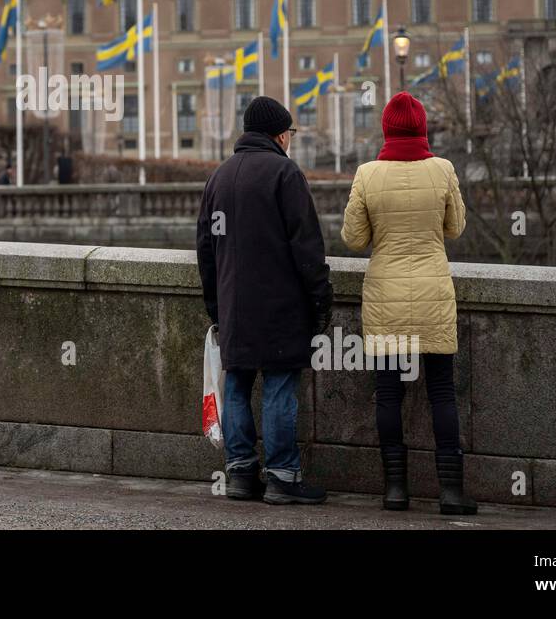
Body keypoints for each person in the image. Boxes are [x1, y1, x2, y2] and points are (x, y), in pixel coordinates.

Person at [341, 91, 474, 515]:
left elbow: (354, 239)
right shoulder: (443, 169)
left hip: (386, 297)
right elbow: (455, 228)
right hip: (434, 293)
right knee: (442, 393)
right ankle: (451, 493)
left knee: (387, 395)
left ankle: (396, 489)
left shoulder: (367, 174)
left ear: (386, 129)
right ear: (422, 129)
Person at [196, 95, 332, 505]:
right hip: (281, 306)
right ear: (279, 135)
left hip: (234, 304)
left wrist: (216, 307)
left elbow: (205, 249)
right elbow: (307, 246)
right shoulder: (285, 174)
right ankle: (282, 477)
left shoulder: (219, 177)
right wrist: (321, 298)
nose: (289, 139)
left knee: (237, 383)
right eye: (288, 133)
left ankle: (240, 473)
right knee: (278, 388)